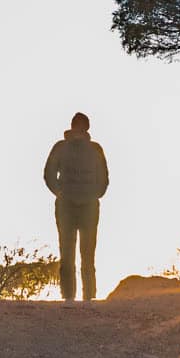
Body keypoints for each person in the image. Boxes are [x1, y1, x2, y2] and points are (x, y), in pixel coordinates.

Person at [43, 111, 109, 301]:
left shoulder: (94, 149)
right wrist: (61, 193)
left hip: (83, 206)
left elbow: (104, 179)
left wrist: (93, 195)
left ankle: (84, 298)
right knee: (72, 255)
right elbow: (48, 174)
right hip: (71, 206)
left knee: (82, 255)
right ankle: (74, 298)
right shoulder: (63, 148)